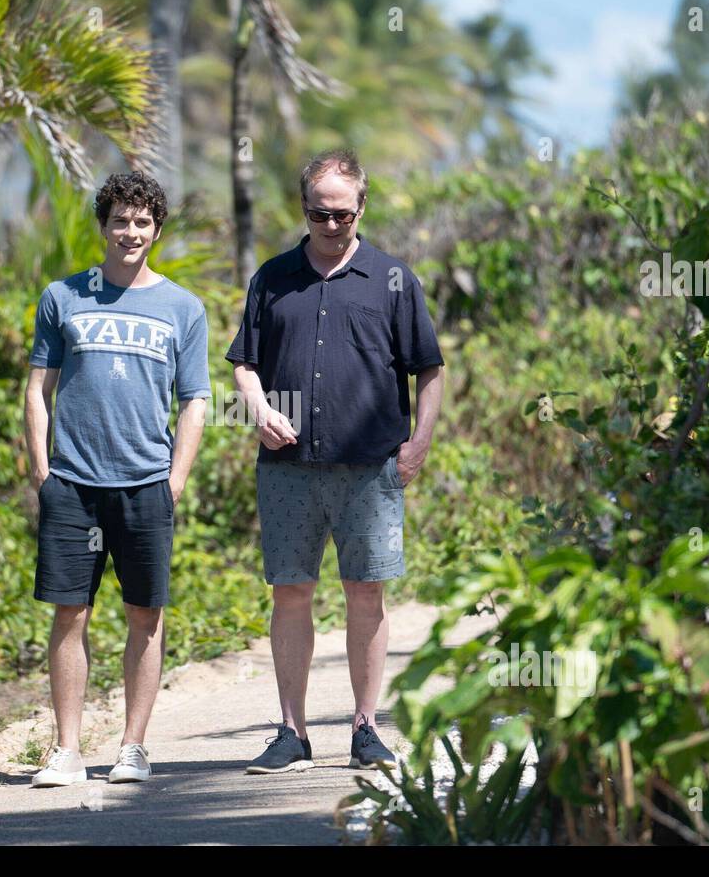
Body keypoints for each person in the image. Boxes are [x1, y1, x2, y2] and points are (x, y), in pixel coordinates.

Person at [226, 149, 444, 773]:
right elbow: (244, 361)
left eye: (342, 215)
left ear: (362, 209)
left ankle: (366, 728)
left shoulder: (394, 279)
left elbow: (428, 368)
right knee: (290, 592)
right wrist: (257, 410)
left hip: (369, 466)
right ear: (304, 210)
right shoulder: (272, 278)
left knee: (365, 593)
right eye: (319, 214)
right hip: (288, 468)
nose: (330, 225)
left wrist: (420, 442)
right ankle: (291, 732)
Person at [25, 172, 210, 786]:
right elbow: (37, 390)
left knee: (144, 615)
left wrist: (175, 480)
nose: (130, 232)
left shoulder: (183, 307)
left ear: (157, 230)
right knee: (69, 613)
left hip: (146, 483)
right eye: (120, 221)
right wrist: (41, 471)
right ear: (102, 226)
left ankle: (132, 747)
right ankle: (67, 750)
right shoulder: (62, 296)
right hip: (73, 483)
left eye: (142, 222)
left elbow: (195, 401)